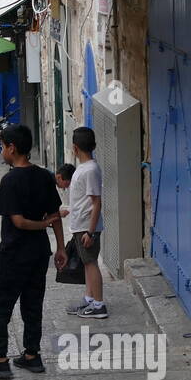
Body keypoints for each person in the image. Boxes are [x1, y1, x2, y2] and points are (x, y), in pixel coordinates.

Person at [0, 124, 67, 380]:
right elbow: (54, 213)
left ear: (12, 148)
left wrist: (43, 225)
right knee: (32, 303)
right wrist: (59, 246)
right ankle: (31, 355)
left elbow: (19, 222)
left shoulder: (10, 180)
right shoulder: (45, 176)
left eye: (3, 147)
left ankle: (0, 359)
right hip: (39, 253)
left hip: (14, 253)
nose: (2, 151)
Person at [66, 127, 107, 319]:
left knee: (91, 263)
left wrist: (90, 232)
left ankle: (99, 304)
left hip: (86, 228)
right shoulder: (84, 169)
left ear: (75, 147)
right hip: (80, 225)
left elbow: (96, 202)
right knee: (87, 263)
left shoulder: (90, 169)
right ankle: (89, 299)